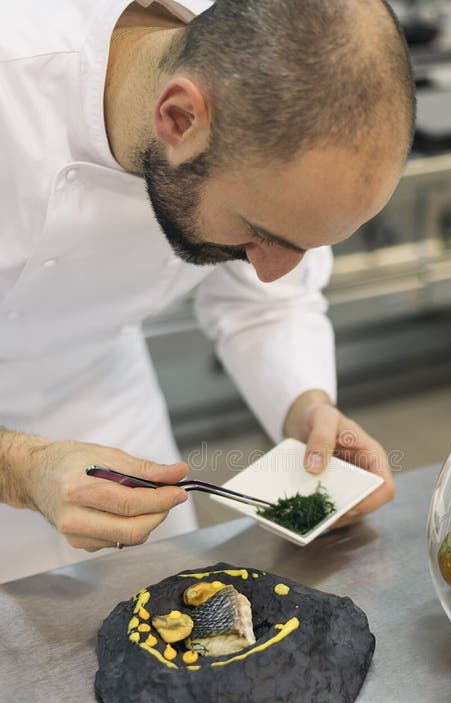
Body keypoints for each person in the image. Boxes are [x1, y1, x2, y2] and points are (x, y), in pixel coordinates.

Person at [0, 0, 415, 582]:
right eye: (261, 233)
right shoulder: (12, 79)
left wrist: (307, 408)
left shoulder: (255, 88)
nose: (272, 270)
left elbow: (269, 299)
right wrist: (19, 467)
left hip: (102, 404)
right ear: (177, 118)